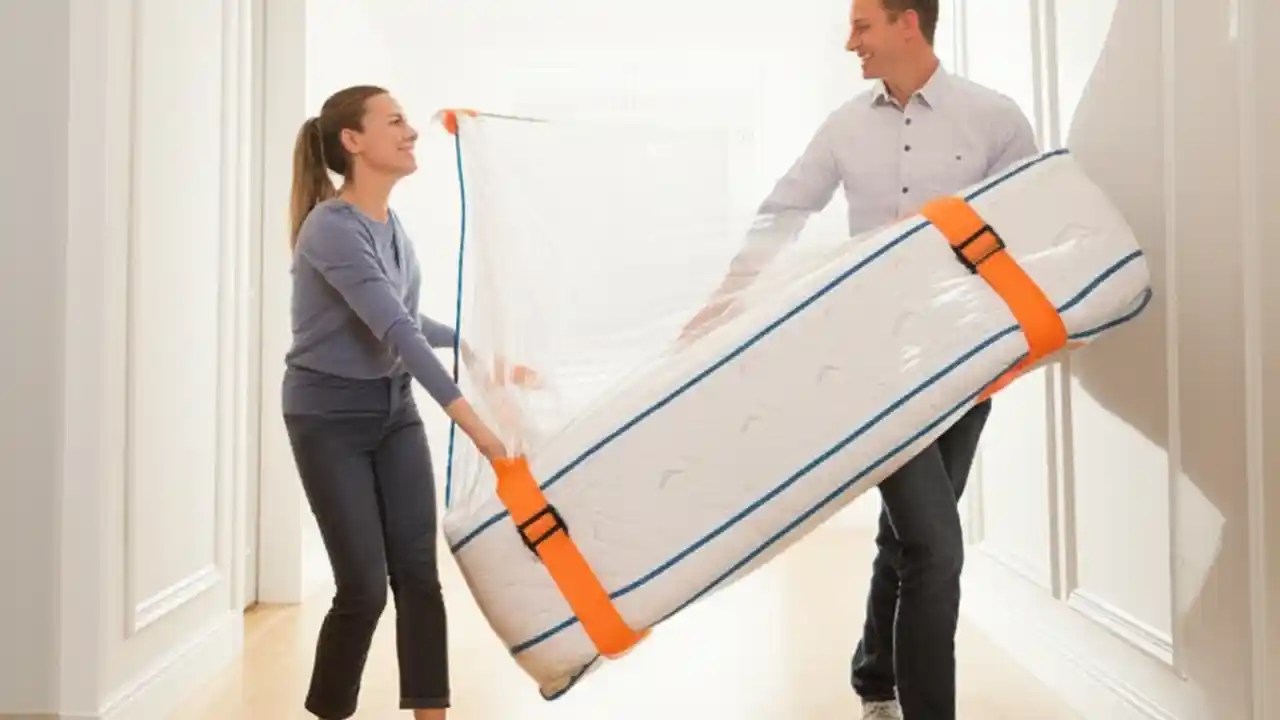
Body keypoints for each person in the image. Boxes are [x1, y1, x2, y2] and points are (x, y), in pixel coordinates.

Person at [681, 2, 1038, 718]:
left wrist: (1022, 343)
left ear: (909, 22)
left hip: (969, 363)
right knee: (936, 547)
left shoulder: (996, 120)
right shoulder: (845, 125)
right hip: (875, 364)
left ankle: (876, 677)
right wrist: (725, 299)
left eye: (862, 26)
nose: (851, 43)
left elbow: (1027, 231)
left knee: (908, 536)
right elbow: (784, 211)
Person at [284, 85, 521, 720]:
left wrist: (476, 353)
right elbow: (395, 332)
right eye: (395, 121)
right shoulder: (331, 229)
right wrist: (480, 431)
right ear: (353, 142)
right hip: (328, 419)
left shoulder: (391, 225)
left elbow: (405, 318)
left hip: (392, 412)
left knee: (418, 577)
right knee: (362, 589)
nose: (411, 131)